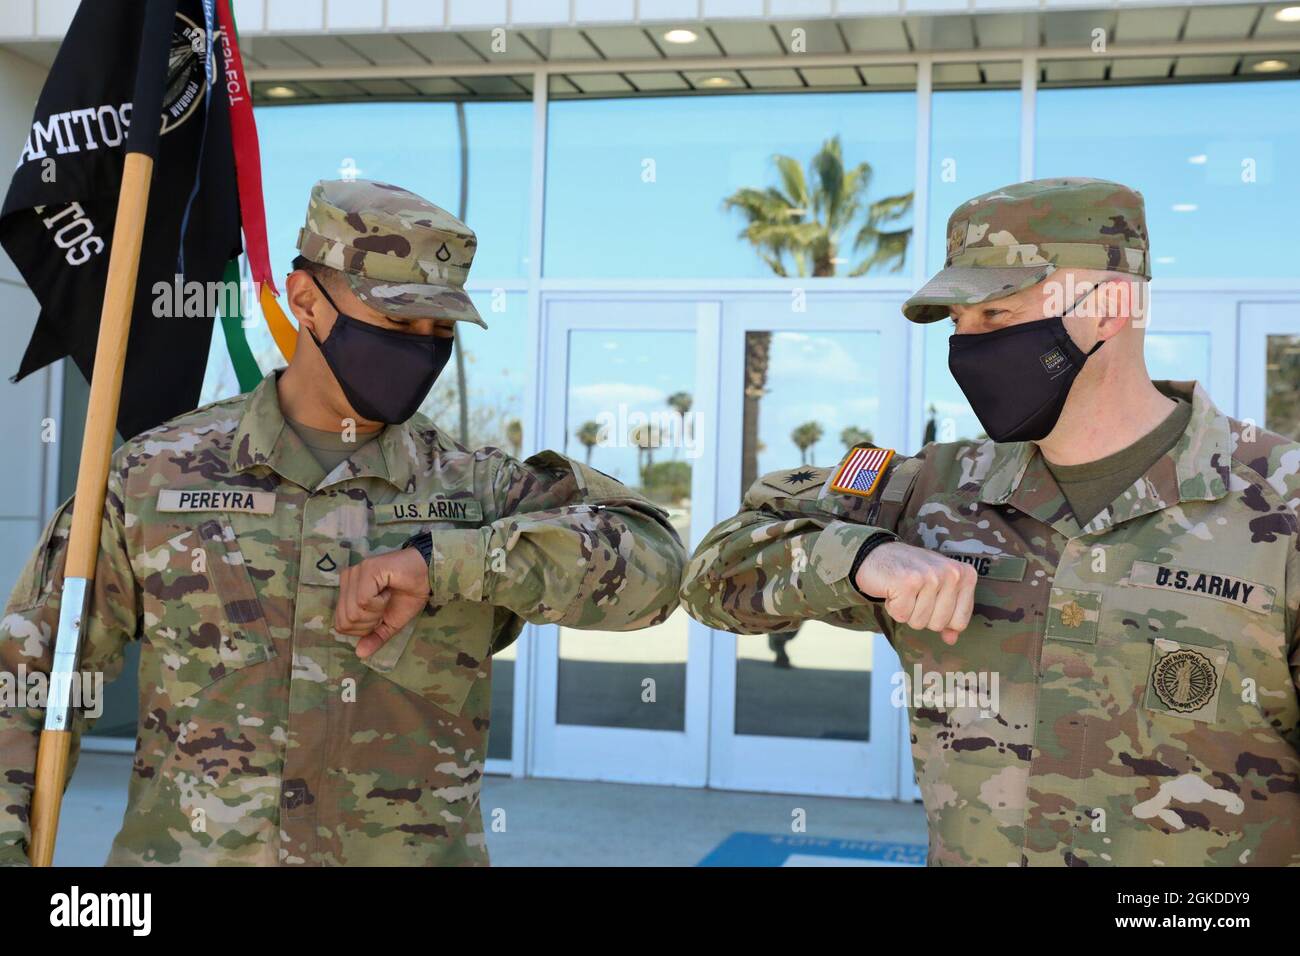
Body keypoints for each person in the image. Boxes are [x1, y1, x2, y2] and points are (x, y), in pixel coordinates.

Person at [0, 179, 686, 866]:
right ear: (306, 302)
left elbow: (657, 568)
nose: (421, 348)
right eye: (398, 322)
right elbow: (29, 682)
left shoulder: (476, 488)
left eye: (439, 328)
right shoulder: (154, 476)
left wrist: (446, 563)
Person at [680, 178, 1300, 866]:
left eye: (996, 318)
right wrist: (857, 560)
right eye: (957, 326)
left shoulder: (1279, 508)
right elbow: (713, 576)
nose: (967, 349)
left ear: (1112, 307)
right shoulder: (928, 493)